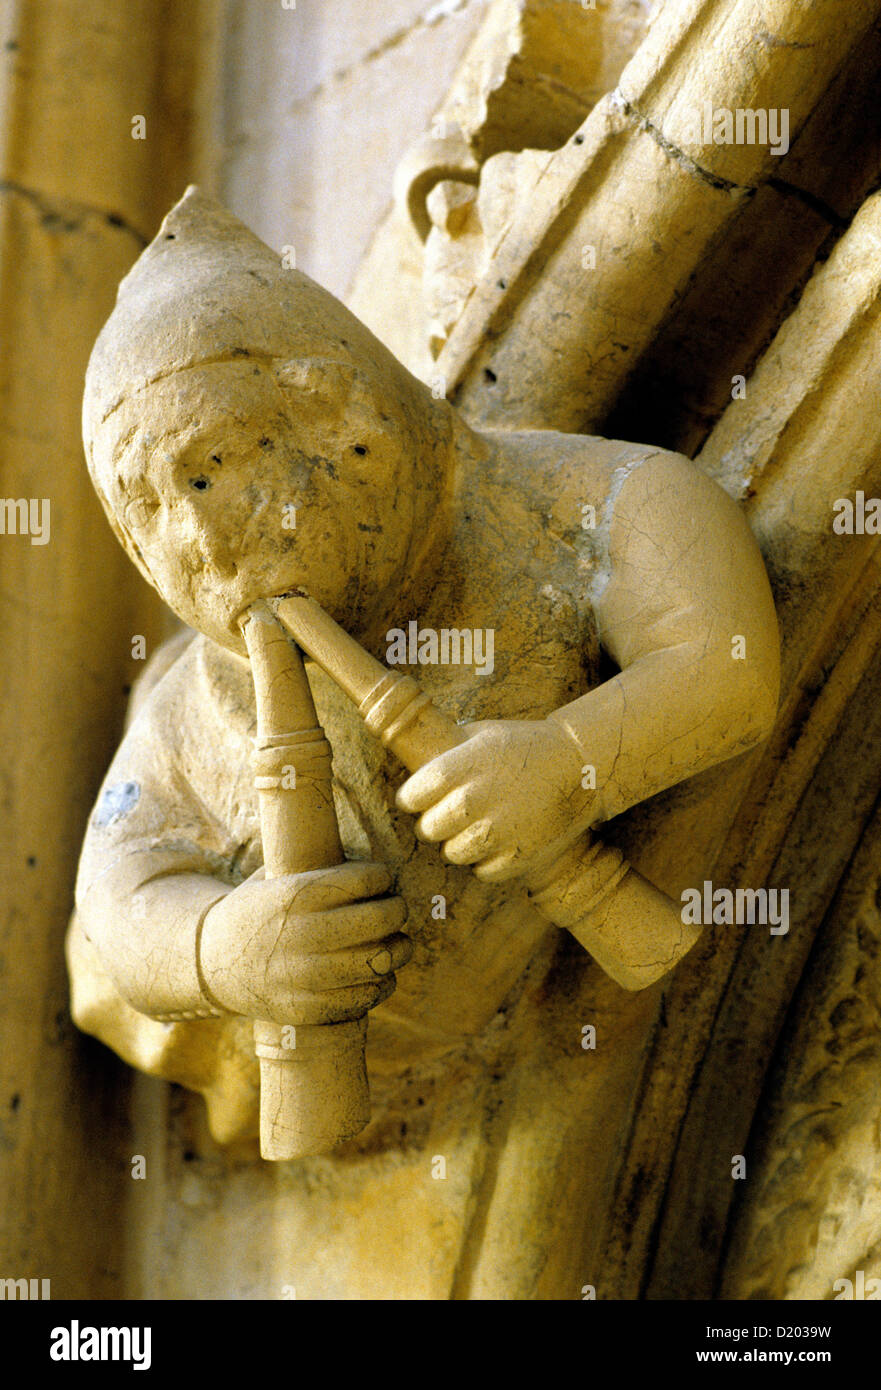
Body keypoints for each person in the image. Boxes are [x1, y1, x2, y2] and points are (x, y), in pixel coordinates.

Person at [69, 186, 779, 1298]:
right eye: (146, 508)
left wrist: (570, 760)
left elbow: (727, 664)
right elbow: (117, 895)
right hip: (358, 1067)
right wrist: (220, 948)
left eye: (210, 469)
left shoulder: (579, 502)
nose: (195, 538)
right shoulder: (192, 698)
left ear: (342, 423)